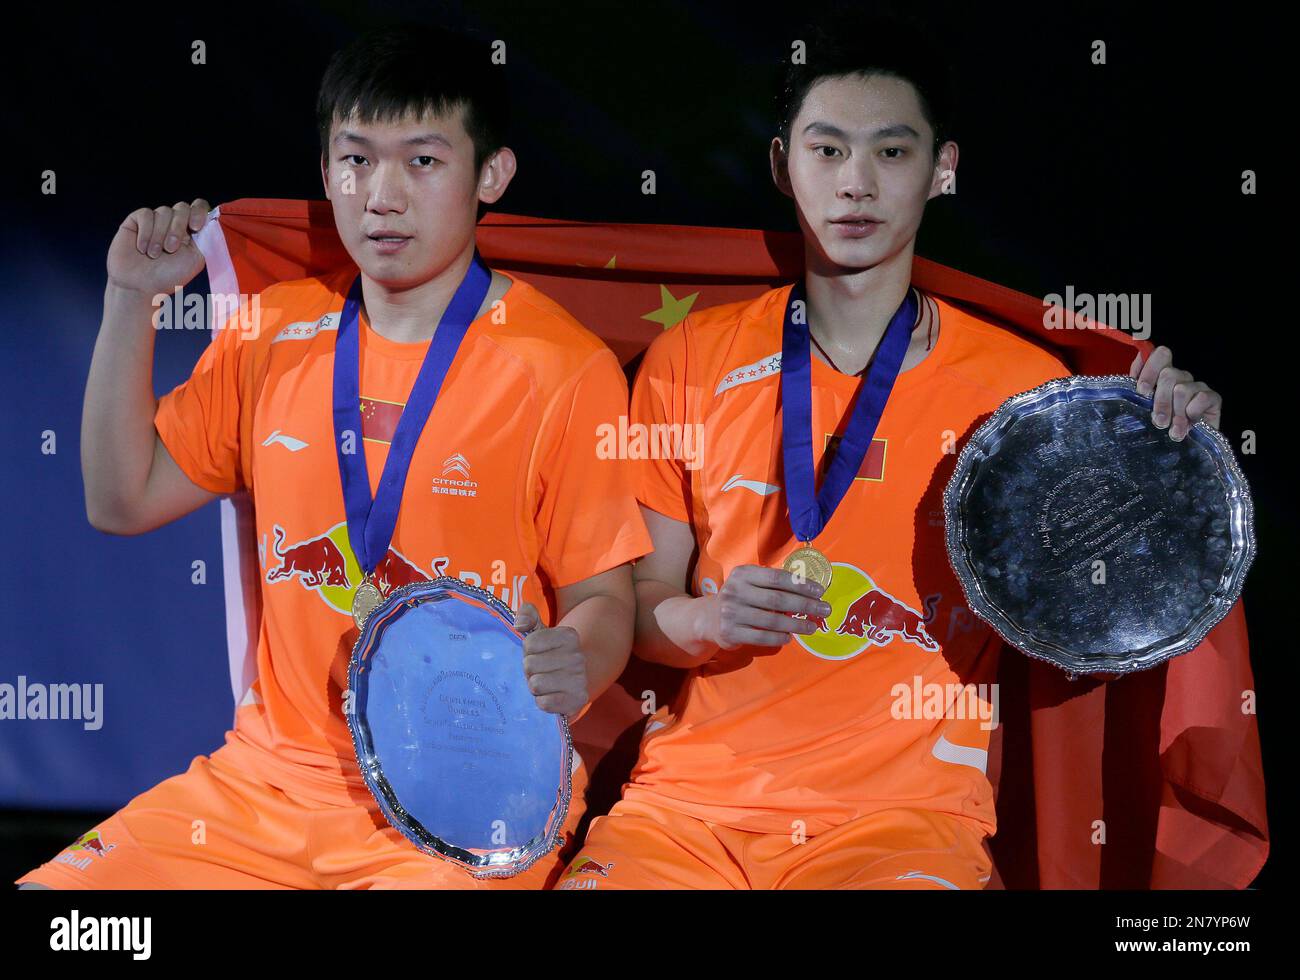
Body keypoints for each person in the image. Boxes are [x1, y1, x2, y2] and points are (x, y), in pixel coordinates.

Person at [556, 11, 1222, 890]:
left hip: (904, 827)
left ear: (943, 169)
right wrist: (704, 620)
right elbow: (643, 606)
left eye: (892, 153)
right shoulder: (692, 359)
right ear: (780, 164)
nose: (856, 184)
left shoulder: (1024, 395)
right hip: (686, 814)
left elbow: (1113, 586)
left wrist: (1169, 453)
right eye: (827, 151)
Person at [17, 24, 649, 890]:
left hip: (468, 802)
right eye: (356, 160)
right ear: (325, 174)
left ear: (490, 176)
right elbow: (119, 501)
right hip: (262, 791)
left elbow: (604, 601)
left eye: (422, 162)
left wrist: (581, 654)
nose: (381, 195)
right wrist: (130, 304)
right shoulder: (273, 332)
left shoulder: (560, 367)